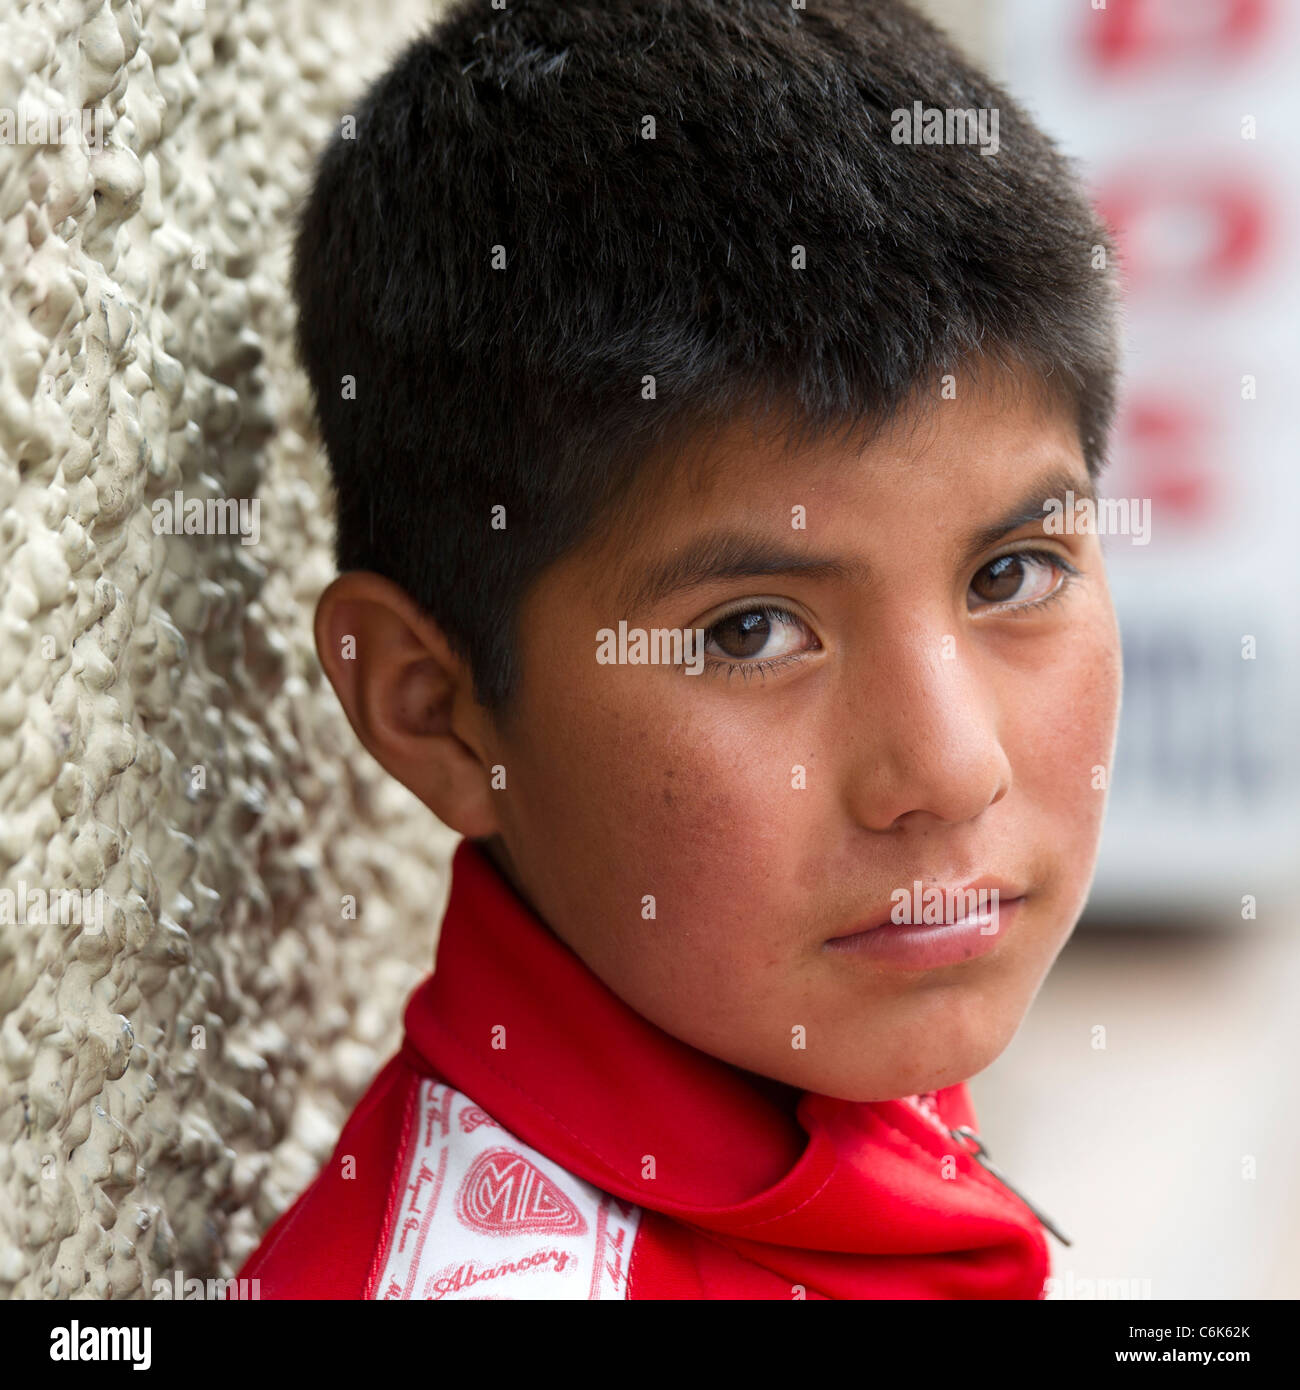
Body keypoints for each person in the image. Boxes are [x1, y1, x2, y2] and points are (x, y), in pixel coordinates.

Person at [237, 0, 1123, 1299]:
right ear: (436, 709)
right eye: (751, 629)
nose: (949, 765)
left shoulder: (813, 1053)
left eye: (1011, 573)